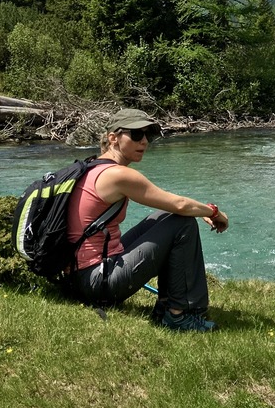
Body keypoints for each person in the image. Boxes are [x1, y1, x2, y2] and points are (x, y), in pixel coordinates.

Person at [66, 108, 229, 331]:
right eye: (136, 135)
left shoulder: (92, 166)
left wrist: (201, 211)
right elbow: (180, 204)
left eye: (148, 135)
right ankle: (179, 315)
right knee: (182, 223)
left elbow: (173, 208)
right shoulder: (118, 175)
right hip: (97, 281)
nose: (144, 141)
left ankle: (166, 307)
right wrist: (214, 212)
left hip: (78, 278)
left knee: (164, 216)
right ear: (113, 138)